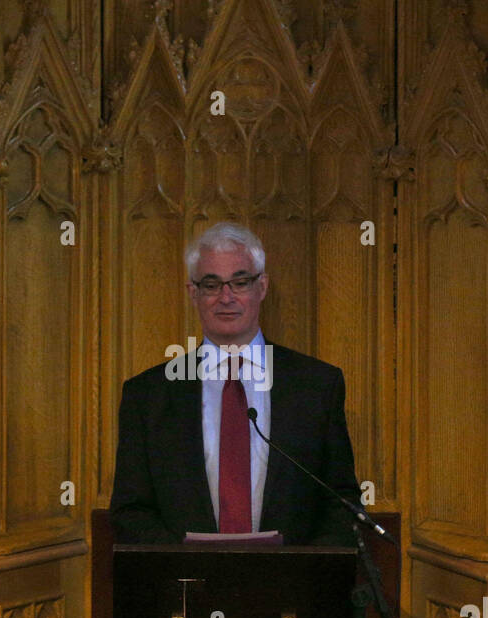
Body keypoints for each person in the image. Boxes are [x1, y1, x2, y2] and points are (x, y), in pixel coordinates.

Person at [109, 222, 359, 546]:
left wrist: (302, 573)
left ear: (263, 286)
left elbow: (342, 502)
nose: (226, 298)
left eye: (240, 282)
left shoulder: (316, 386)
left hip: (292, 587)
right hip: (186, 586)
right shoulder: (148, 395)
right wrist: (188, 567)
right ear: (193, 293)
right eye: (211, 285)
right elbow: (131, 511)